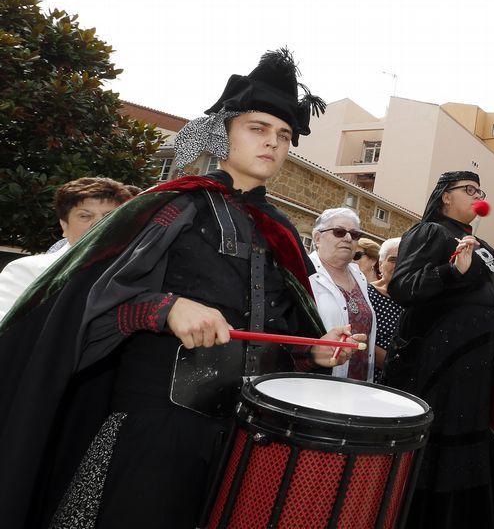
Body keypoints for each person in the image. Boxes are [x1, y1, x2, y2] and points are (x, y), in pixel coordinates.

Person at [0, 49, 360, 528]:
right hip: (156, 428)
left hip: (247, 433)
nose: (272, 143)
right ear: (223, 132)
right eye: (257, 129)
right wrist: (162, 308)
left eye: (283, 135)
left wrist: (313, 353)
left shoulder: (283, 231)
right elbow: (78, 301)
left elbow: (284, 331)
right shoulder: (170, 206)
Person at [385, 170, 494, 529]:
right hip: (443, 363)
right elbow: (404, 287)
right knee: (441, 450)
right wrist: (451, 271)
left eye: (479, 190)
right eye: (468, 189)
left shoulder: (480, 245)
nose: (477, 195)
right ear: (445, 197)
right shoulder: (431, 232)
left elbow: (484, 297)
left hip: (478, 361)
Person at [0, 177, 134, 321]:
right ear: (64, 226)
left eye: (110, 216)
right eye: (85, 216)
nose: (99, 224)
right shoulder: (27, 271)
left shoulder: (136, 272)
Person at [309, 207, 376, 381]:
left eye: (354, 235)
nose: (348, 238)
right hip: (316, 381)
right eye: (339, 232)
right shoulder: (304, 273)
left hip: (358, 384)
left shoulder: (359, 276)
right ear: (317, 238)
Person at [367, 237, 403, 380]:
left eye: (404, 259)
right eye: (393, 259)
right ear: (380, 264)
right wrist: (394, 367)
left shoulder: (415, 299)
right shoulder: (365, 293)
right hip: (369, 377)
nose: (398, 264)